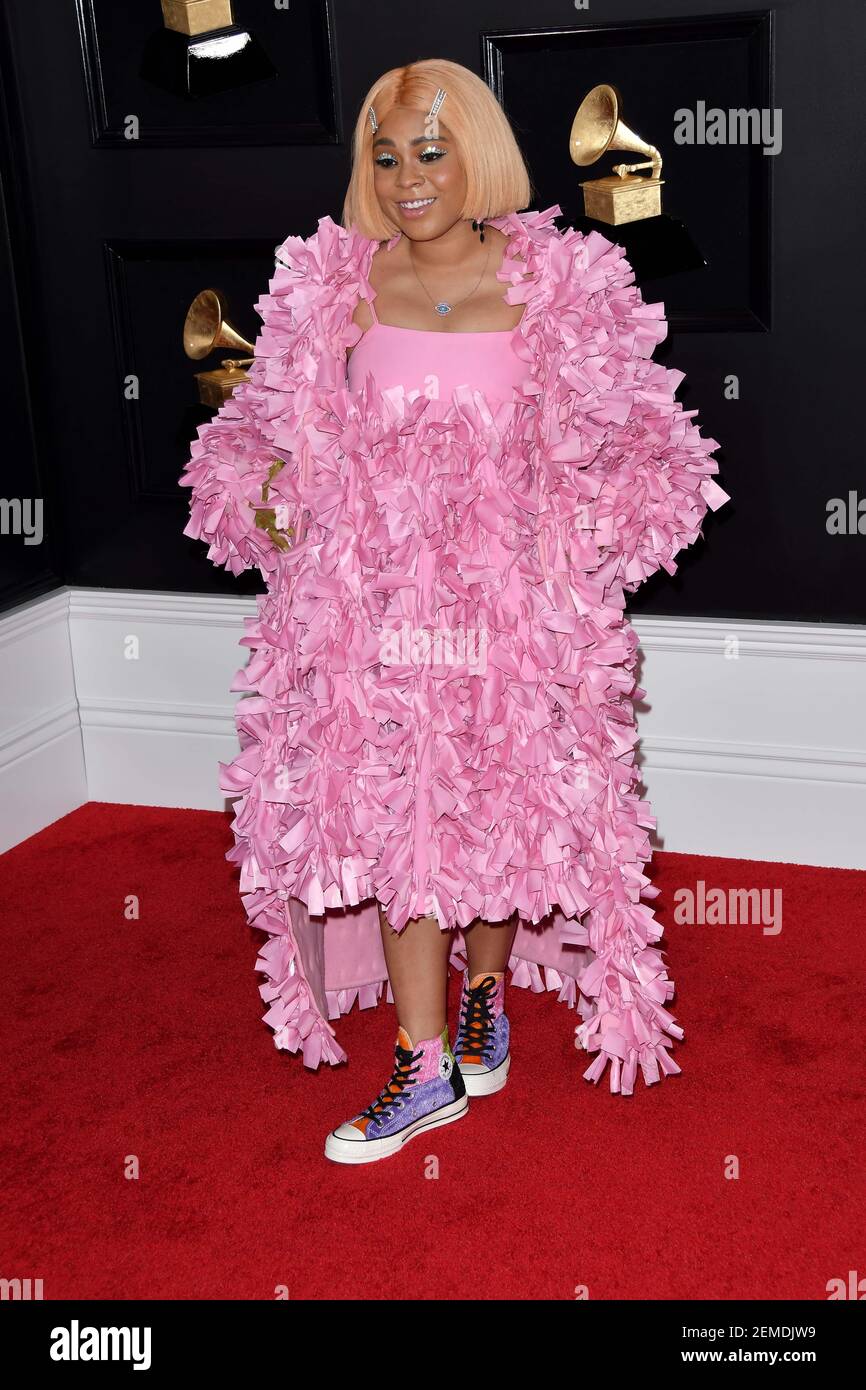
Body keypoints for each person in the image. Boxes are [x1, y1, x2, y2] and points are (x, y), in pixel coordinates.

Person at [179, 58, 729, 1165]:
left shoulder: (563, 286)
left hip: (510, 620)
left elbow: (650, 450)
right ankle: (420, 1064)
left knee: (493, 817)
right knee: (402, 822)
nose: (405, 178)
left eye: (428, 152)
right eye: (384, 156)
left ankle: (483, 997)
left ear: (472, 151)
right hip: (368, 621)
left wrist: (589, 532)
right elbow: (252, 441)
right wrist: (264, 504)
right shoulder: (333, 285)